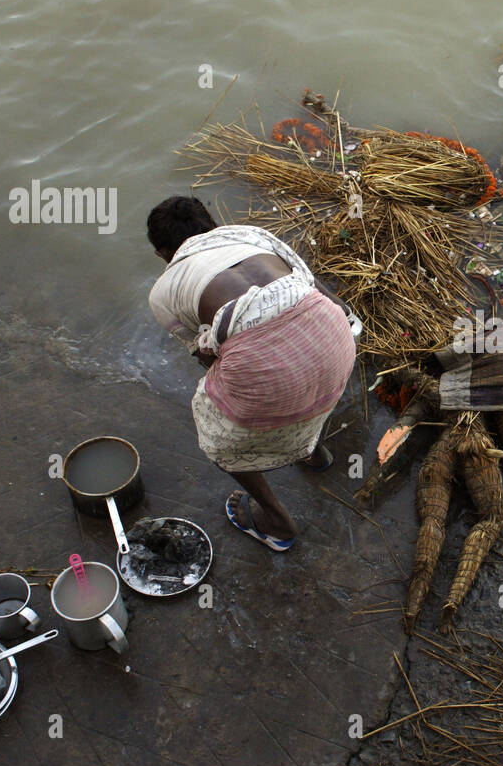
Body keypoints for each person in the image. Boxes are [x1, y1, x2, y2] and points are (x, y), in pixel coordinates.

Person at [146, 196, 356, 551]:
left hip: (275, 365)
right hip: (334, 334)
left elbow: (207, 357)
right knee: (310, 373)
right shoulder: (255, 236)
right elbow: (314, 286)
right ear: (212, 226)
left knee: (218, 435)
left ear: (164, 253)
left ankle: (275, 519)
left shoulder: (162, 293)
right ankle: (313, 453)